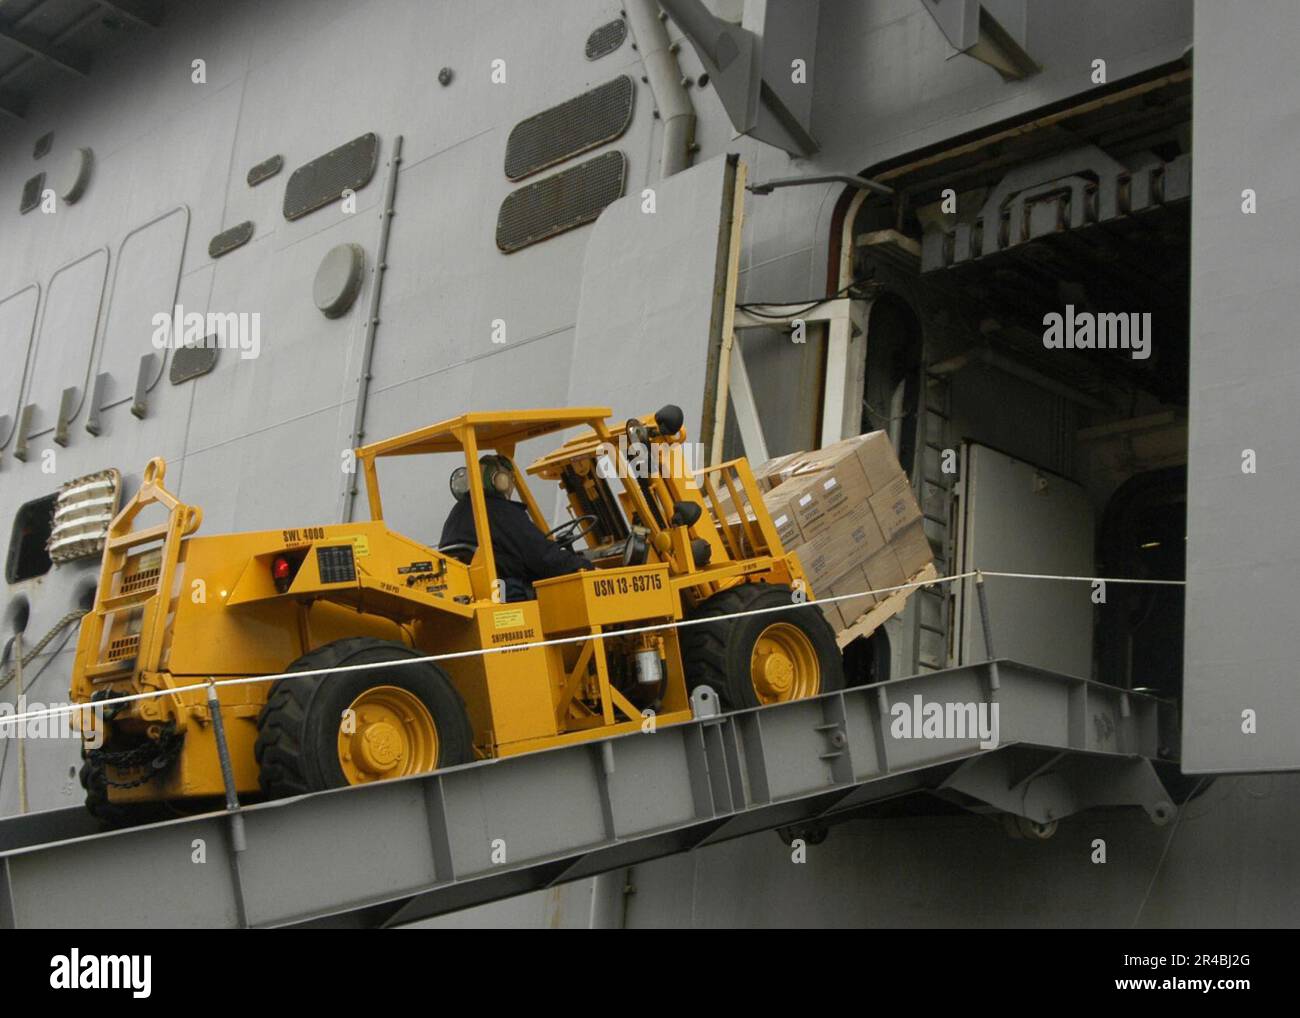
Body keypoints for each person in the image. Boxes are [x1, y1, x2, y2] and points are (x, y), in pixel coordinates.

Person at [439, 454, 593, 597]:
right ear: (500, 480)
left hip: (481, 590)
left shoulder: (459, 512)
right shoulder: (501, 512)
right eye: (510, 478)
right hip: (507, 591)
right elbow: (542, 557)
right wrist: (582, 566)